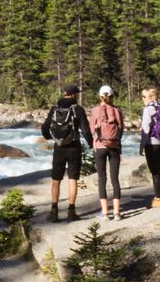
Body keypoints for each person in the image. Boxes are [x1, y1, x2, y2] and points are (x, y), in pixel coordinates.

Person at [40, 84, 88, 222]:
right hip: (74, 148)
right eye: (76, 94)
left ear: (64, 94)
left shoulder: (55, 108)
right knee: (72, 179)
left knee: (56, 180)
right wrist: (92, 144)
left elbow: (44, 128)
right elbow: (85, 130)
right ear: (73, 95)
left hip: (58, 147)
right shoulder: (78, 109)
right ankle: (71, 211)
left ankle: (54, 212)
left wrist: (51, 138)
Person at [88, 84, 126, 221]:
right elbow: (121, 128)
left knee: (102, 179)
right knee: (115, 179)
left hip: (100, 147)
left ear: (100, 96)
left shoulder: (95, 110)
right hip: (114, 147)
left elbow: (92, 130)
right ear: (112, 96)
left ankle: (105, 213)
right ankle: (117, 213)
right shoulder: (117, 110)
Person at [139, 87, 160, 208]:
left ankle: (159, 199)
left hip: (152, 144)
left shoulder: (148, 110)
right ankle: (159, 197)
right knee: (158, 170)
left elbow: (146, 129)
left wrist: (141, 146)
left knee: (155, 172)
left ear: (150, 97)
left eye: (144, 96)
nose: (142, 99)